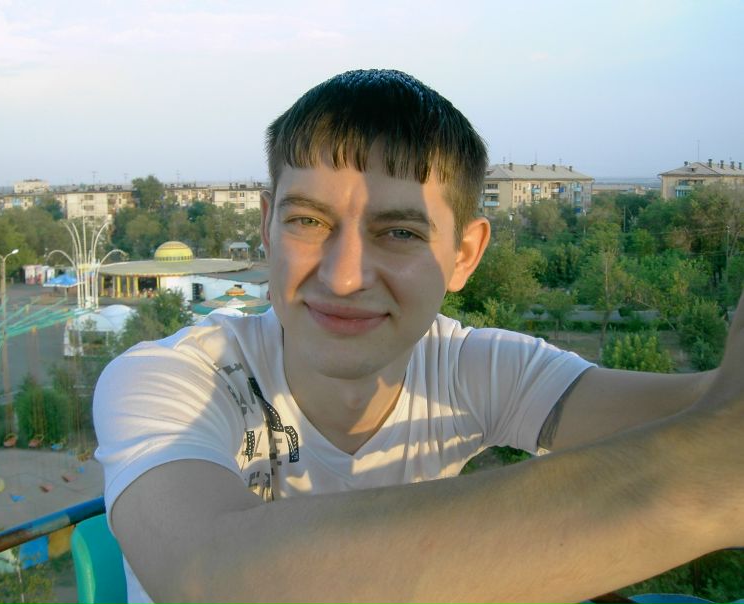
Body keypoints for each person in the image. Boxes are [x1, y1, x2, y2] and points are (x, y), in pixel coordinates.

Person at [94, 69, 743, 604]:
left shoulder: (470, 368)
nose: (343, 276)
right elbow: (205, 573)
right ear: (266, 229)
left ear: (464, 255)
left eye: (399, 232)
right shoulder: (174, 379)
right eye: (308, 221)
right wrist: (700, 491)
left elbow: (716, 415)